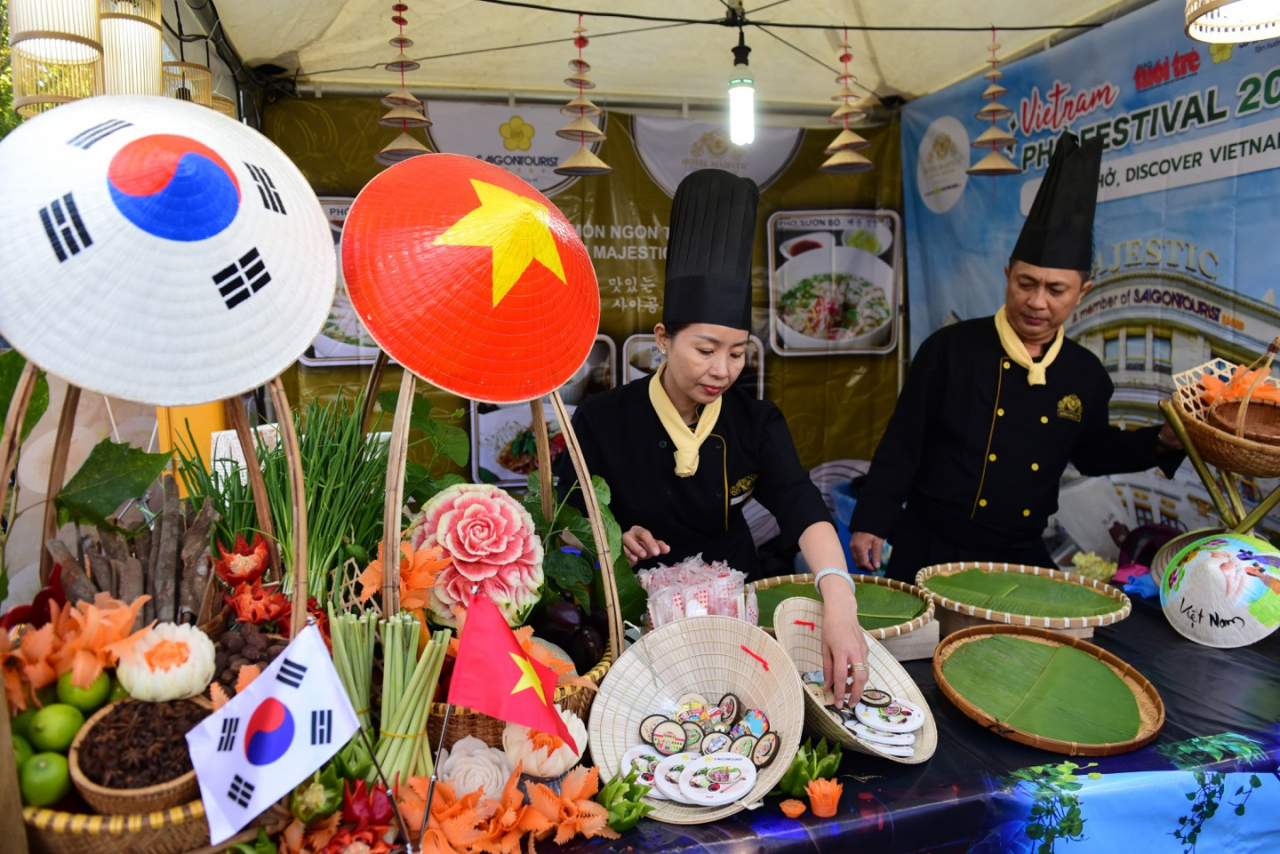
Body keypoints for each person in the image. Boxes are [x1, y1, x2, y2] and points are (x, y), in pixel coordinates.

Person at [555, 169, 871, 706]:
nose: (722, 369)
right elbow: (562, 517)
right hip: (632, 618)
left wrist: (840, 601)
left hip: (734, 618)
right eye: (705, 349)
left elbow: (801, 506)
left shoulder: (755, 421)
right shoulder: (603, 417)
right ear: (663, 339)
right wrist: (610, 535)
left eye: (738, 351)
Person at [849, 132, 1185, 583]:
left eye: (1056, 289)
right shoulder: (951, 349)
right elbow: (903, 441)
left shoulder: (1083, 375)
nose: (1037, 301)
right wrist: (873, 518)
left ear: (1082, 293)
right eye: (1026, 283)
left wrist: (1162, 442)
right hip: (930, 541)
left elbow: (1095, 454)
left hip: (1018, 551)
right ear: (1008, 274)